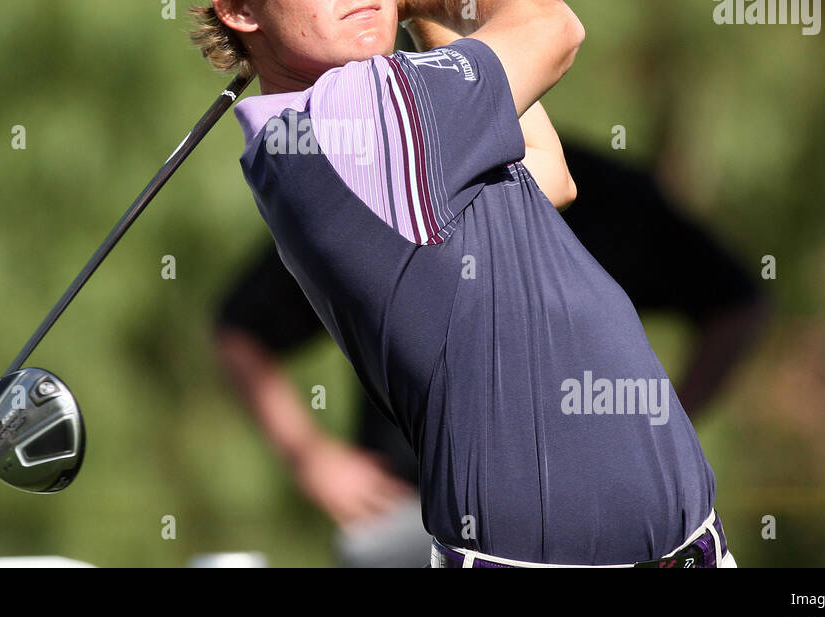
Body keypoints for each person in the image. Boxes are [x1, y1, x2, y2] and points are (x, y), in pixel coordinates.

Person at [190, 0, 736, 567]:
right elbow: (552, 26)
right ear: (237, 6)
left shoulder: (394, 129)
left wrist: (409, 12)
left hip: (686, 541)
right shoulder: (350, 116)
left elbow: (549, 172)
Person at [212, 132, 771, 566]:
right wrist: (308, 453)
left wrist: (665, 423)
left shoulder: (609, 196)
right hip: (415, 509)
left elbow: (735, 302)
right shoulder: (381, 187)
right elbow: (243, 329)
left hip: (595, 515)